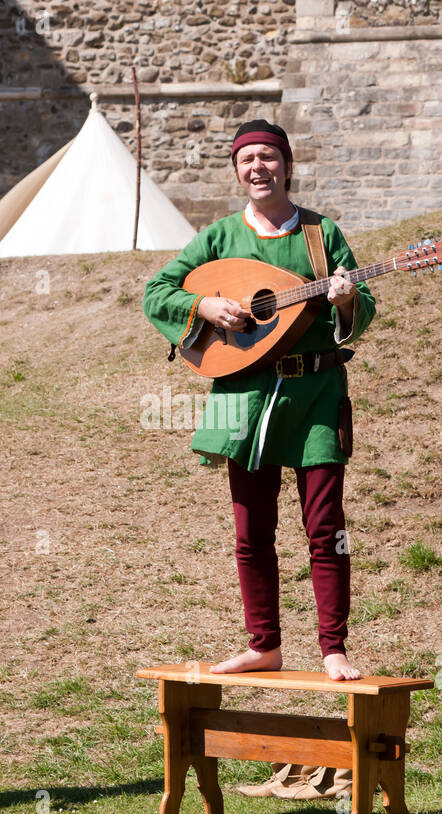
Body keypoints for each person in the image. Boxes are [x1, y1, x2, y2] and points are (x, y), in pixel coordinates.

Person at [143, 119, 375, 685]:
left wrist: (344, 302)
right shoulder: (219, 238)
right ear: (237, 171)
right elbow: (157, 292)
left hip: (316, 390)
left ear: (287, 165)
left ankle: (333, 649)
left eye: (268, 157)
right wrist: (204, 307)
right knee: (251, 530)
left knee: (325, 527)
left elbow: (362, 305)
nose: (258, 168)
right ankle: (263, 643)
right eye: (247, 160)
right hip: (237, 392)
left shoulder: (321, 235)